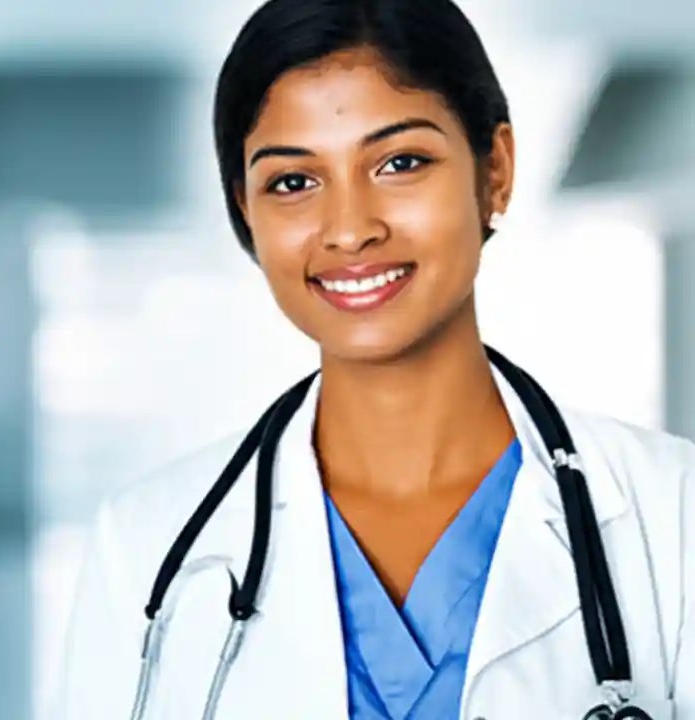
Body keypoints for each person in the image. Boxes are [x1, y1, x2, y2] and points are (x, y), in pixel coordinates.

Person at [50, 0, 695, 718]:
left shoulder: (673, 517)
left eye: (400, 162)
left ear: (496, 172)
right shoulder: (144, 547)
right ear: (246, 212)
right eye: (293, 182)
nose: (351, 229)